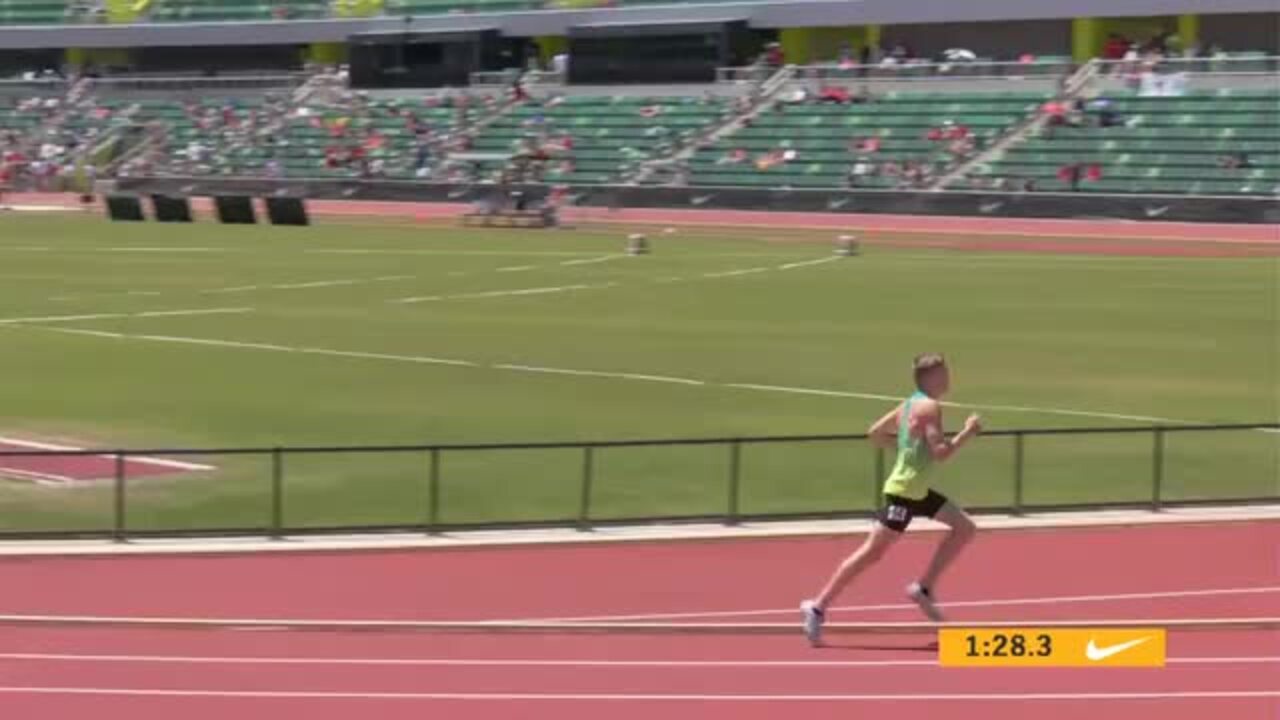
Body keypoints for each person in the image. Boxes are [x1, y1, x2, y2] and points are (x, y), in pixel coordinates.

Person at [800, 354, 982, 646]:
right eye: (944, 373)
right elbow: (941, 453)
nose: (949, 378)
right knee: (872, 553)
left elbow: (875, 433)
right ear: (931, 377)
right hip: (903, 493)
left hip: (916, 490)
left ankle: (923, 588)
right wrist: (968, 433)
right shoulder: (930, 407)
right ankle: (817, 607)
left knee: (965, 528)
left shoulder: (910, 402)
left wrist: (906, 452)